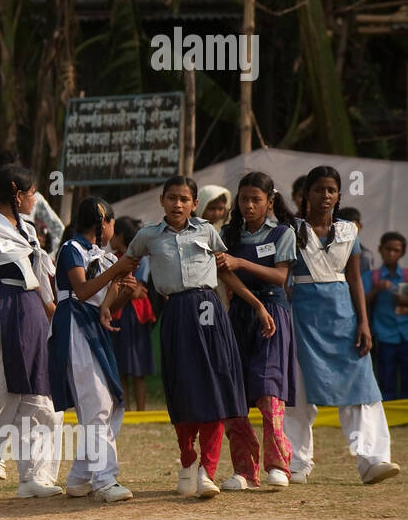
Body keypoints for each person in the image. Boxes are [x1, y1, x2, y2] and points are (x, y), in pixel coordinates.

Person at [124, 175, 275, 499]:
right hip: (176, 313)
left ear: (194, 204)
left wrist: (259, 305)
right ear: (162, 201)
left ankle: (208, 470)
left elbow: (226, 274)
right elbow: (124, 267)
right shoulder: (148, 236)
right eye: (171, 198)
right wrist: (107, 304)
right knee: (182, 389)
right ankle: (188, 460)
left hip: (210, 312)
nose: (177, 204)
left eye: (184, 199)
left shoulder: (207, 232)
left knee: (216, 387)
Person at [283, 167, 399, 485]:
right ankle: (296, 461)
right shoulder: (290, 230)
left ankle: (372, 459)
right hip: (301, 316)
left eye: (331, 190)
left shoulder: (349, 231)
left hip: (342, 316)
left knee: (361, 386)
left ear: (338, 195)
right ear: (305, 194)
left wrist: (363, 322)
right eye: (319, 189)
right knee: (298, 390)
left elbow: (355, 280)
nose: (325, 196)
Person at [0, 166, 62, 497]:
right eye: (33, 192)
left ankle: (34, 477)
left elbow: (40, 279)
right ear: (18, 194)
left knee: (39, 395)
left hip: (32, 312)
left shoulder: (30, 230)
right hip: (1, 312)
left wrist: (51, 314)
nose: (36, 198)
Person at [51, 197, 138, 501]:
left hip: (92, 328)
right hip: (74, 327)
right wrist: (116, 272)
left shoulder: (102, 256)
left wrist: (124, 290)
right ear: (105, 223)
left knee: (110, 402)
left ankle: (80, 476)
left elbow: (107, 307)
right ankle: (104, 479)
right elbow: (82, 290)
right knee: (97, 403)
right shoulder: (71, 250)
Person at [217, 172, 299, 489]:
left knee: (268, 390)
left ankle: (278, 464)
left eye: (256, 199)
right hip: (240, 313)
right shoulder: (228, 234)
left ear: (270, 201)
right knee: (234, 393)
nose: (249, 205)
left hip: (273, 315)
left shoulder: (282, 234)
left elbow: (280, 277)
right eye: (244, 199)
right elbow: (226, 276)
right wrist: (251, 303)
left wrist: (241, 264)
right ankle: (244, 469)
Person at [108, 217, 155, 411]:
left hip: (133, 315)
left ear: (119, 236)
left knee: (137, 368)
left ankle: (140, 411)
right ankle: (126, 410)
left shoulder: (139, 259)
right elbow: (134, 289)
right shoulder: (114, 258)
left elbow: (138, 288)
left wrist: (130, 289)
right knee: (122, 368)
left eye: (112, 234)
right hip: (121, 311)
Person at [364, 231, 408, 401]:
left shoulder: (405, 276)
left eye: (396, 250)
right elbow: (359, 302)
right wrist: (376, 289)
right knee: (386, 376)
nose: (391, 253)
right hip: (384, 336)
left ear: (402, 252)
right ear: (380, 249)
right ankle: (388, 410)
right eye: (388, 249)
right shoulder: (372, 277)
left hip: (405, 334)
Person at [335, 207, 373, 275]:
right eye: (342, 228)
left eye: (351, 227)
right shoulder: (331, 250)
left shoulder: (365, 256)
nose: (347, 232)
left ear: (360, 226)